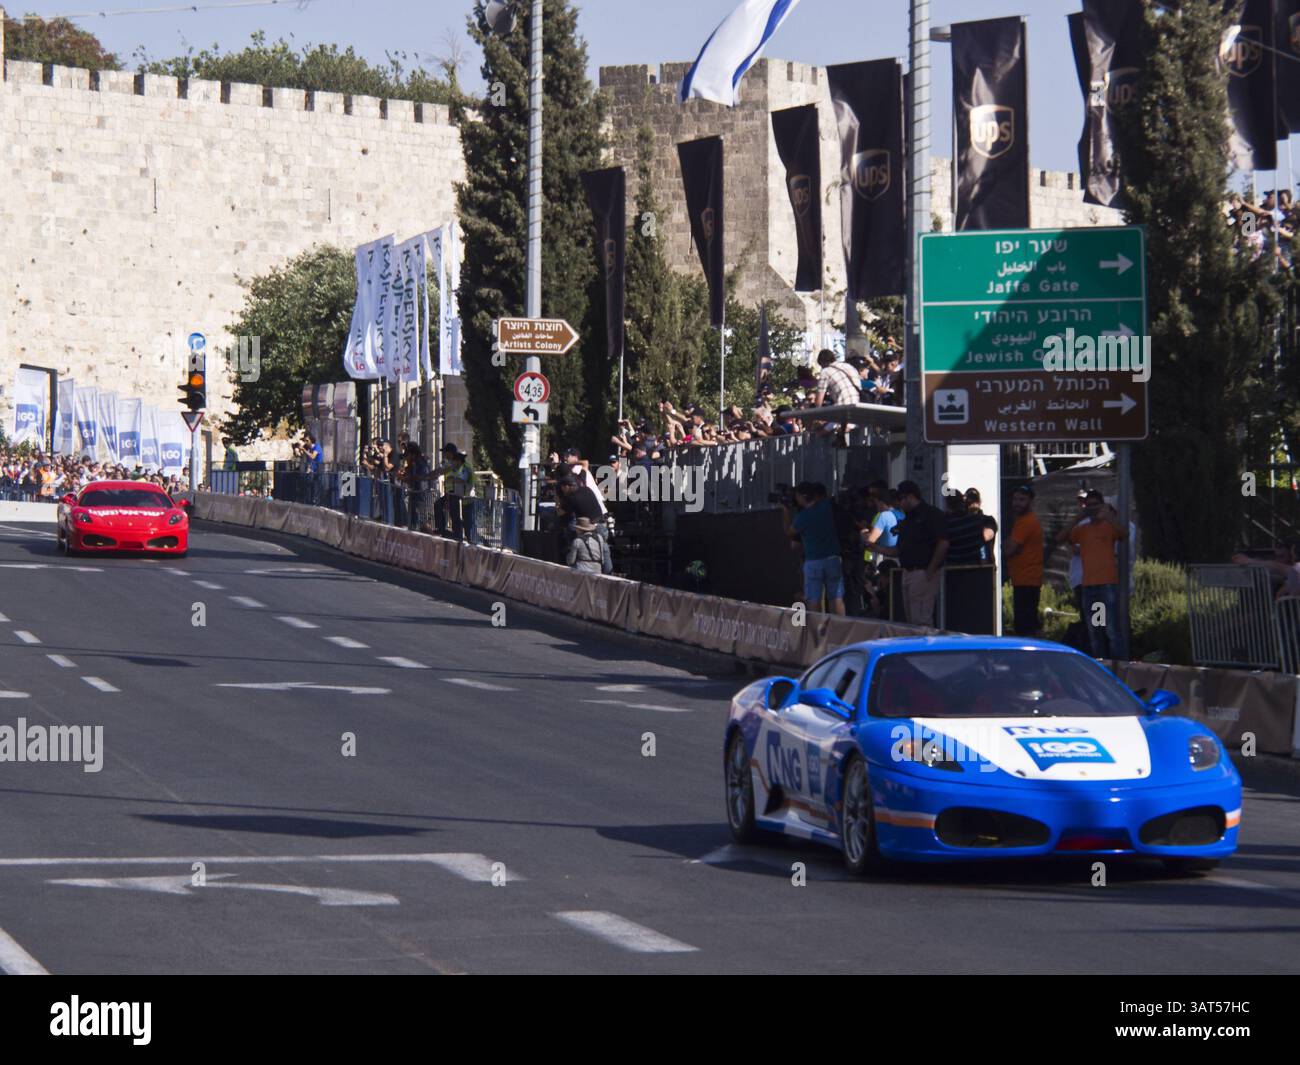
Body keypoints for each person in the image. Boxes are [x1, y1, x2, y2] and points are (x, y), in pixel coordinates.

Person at [1059, 488, 1128, 660]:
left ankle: (1119, 666)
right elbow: (1061, 537)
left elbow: (1123, 533)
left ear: (1103, 505)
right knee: (1095, 630)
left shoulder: (1108, 526)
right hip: (1090, 587)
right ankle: (1102, 665)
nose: (1092, 509)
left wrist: (1107, 516)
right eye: (1089, 505)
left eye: (1095, 505)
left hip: (1106, 585)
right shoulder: (1083, 529)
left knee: (1111, 629)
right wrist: (1079, 517)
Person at [873, 480, 948, 627]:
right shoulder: (906, 521)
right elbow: (899, 550)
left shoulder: (931, 514)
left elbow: (943, 543)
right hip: (907, 572)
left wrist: (930, 570)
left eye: (901, 499)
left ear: (911, 497)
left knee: (921, 621)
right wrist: (875, 548)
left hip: (922, 571)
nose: (899, 503)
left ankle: (926, 649)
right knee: (912, 622)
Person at [780, 482, 845, 615]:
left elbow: (789, 532)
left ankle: (816, 630)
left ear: (802, 497)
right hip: (833, 559)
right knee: (836, 598)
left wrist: (785, 511)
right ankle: (840, 630)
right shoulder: (826, 507)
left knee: (813, 599)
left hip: (813, 561)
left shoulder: (802, 517)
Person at [1004, 483, 1044, 636]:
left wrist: (1006, 545)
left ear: (1030, 502)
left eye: (1022, 500)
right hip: (1024, 578)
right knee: (1029, 621)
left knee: (1024, 624)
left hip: (1027, 578)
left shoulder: (1026, 522)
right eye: (1015, 499)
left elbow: (1009, 549)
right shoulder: (1022, 521)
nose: (1017, 503)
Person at [434, 444, 474, 541]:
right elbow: (443, 473)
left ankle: (459, 536)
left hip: (464, 496)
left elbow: (461, 480)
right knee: (441, 506)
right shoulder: (452, 465)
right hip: (452, 493)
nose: (444, 454)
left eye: (445, 452)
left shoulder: (463, 466)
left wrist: (453, 479)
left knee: (461, 517)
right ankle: (443, 530)